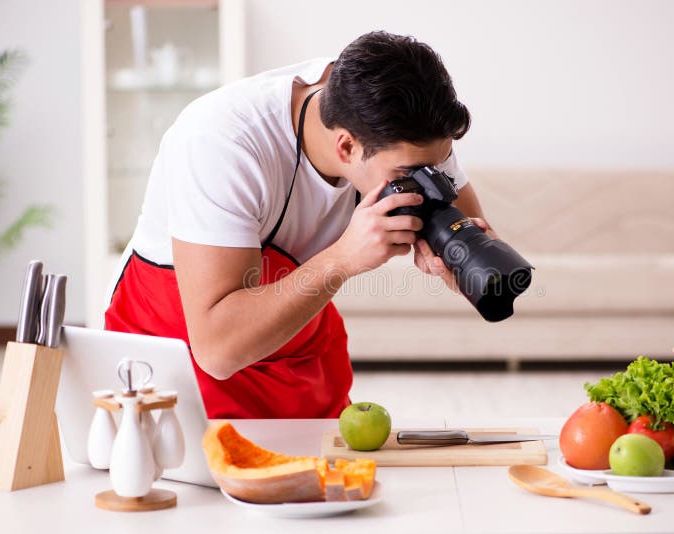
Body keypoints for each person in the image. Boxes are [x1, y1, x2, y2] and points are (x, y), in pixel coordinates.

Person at [104, 31, 495, 418]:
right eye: (411, 171)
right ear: (346, 147)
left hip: (298, 354)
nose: (431, 176)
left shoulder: (398, 119)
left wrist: (454, 262)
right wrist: (342, 259)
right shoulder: (222, 142)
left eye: (438, 162)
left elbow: (474, 254)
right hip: (184, 363)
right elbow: (217, 351)